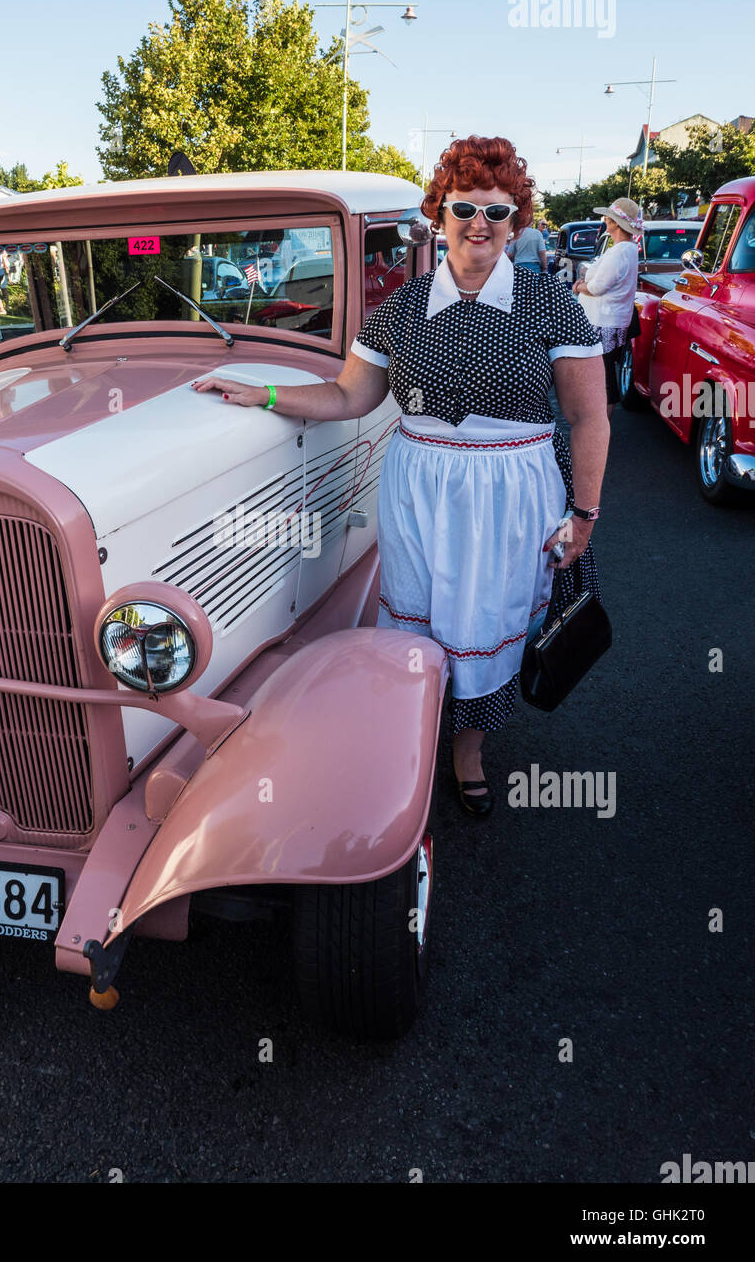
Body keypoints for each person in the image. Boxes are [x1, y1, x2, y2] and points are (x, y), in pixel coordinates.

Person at [192, 135, 610, 816]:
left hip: (511, 489)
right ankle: (408, 729)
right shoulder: (399, 310)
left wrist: (584, 515)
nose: (480, 225)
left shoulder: (550, 305)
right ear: (436, 216)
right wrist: (263, 395)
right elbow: (349, 397)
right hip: (419, 483)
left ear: (517, 220)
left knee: (488, 615)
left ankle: (467, 747)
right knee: (419, 613)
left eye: (497, 212)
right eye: (463, 209)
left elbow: (588, 419)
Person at [573, 198, 640, 418]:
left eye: (608, 217)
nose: (605, 220)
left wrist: (580, 286)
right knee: (604, 374)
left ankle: (601, 426)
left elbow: (597, 287)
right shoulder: (626, 249)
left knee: (603, 377)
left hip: (604, 323)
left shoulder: (620, 252)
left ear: (616, 223)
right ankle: (600, 422)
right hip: (610, 320)